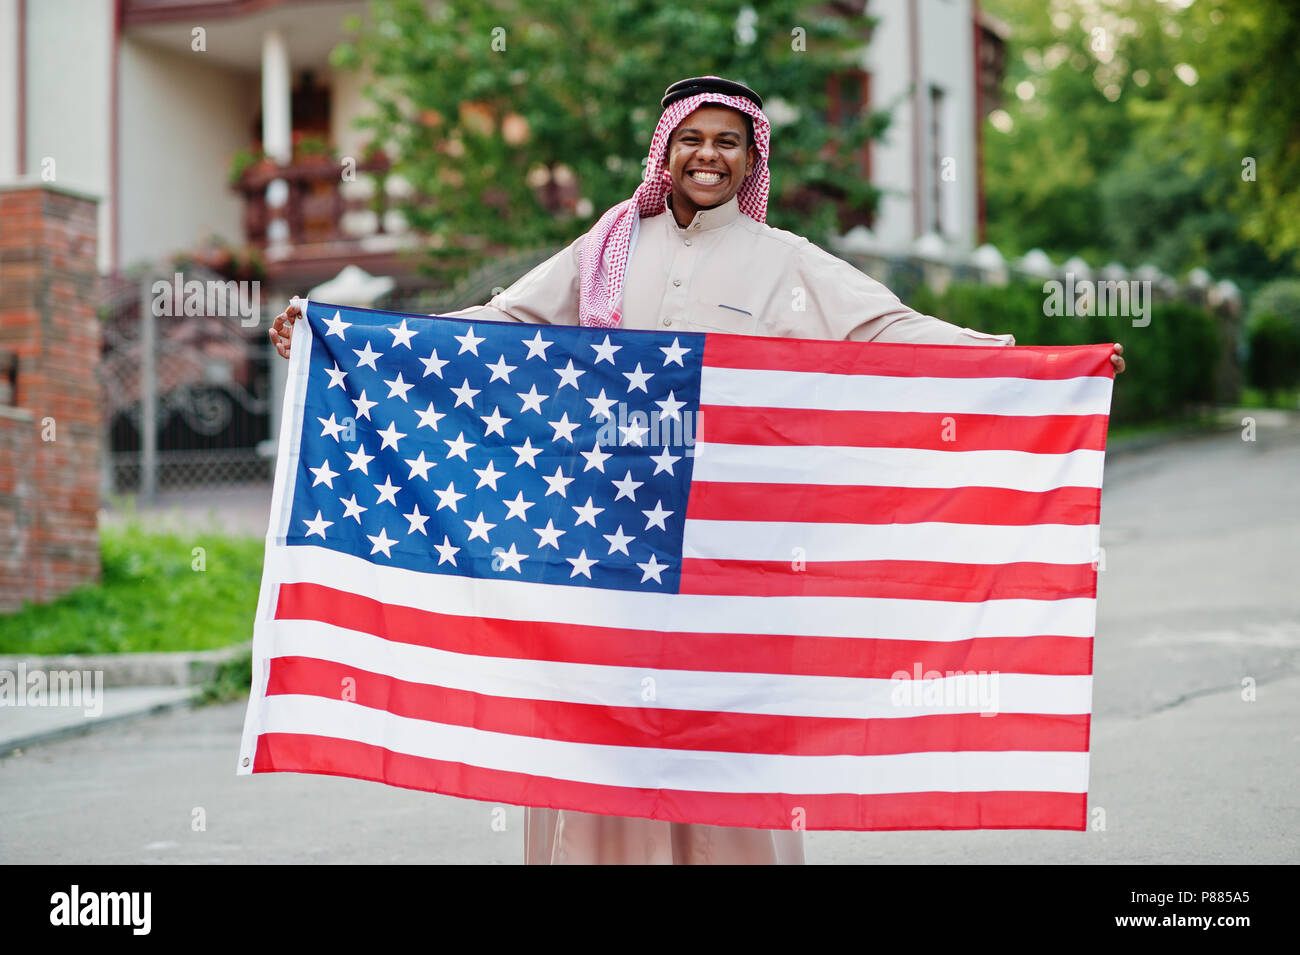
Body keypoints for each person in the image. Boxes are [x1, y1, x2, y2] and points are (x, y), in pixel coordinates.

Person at [269, 75, 1126, 865]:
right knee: (597, 734)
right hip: (606, 550)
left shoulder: (783, 260)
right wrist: (337, 333)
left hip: (729, 557)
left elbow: (886, 333)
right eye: (692, 138)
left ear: (751, 158)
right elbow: (499, 324)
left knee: (722, 743)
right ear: (666, 150)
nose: (707, 155)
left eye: (727, 141)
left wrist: (1035, 367)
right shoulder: (605, 248)